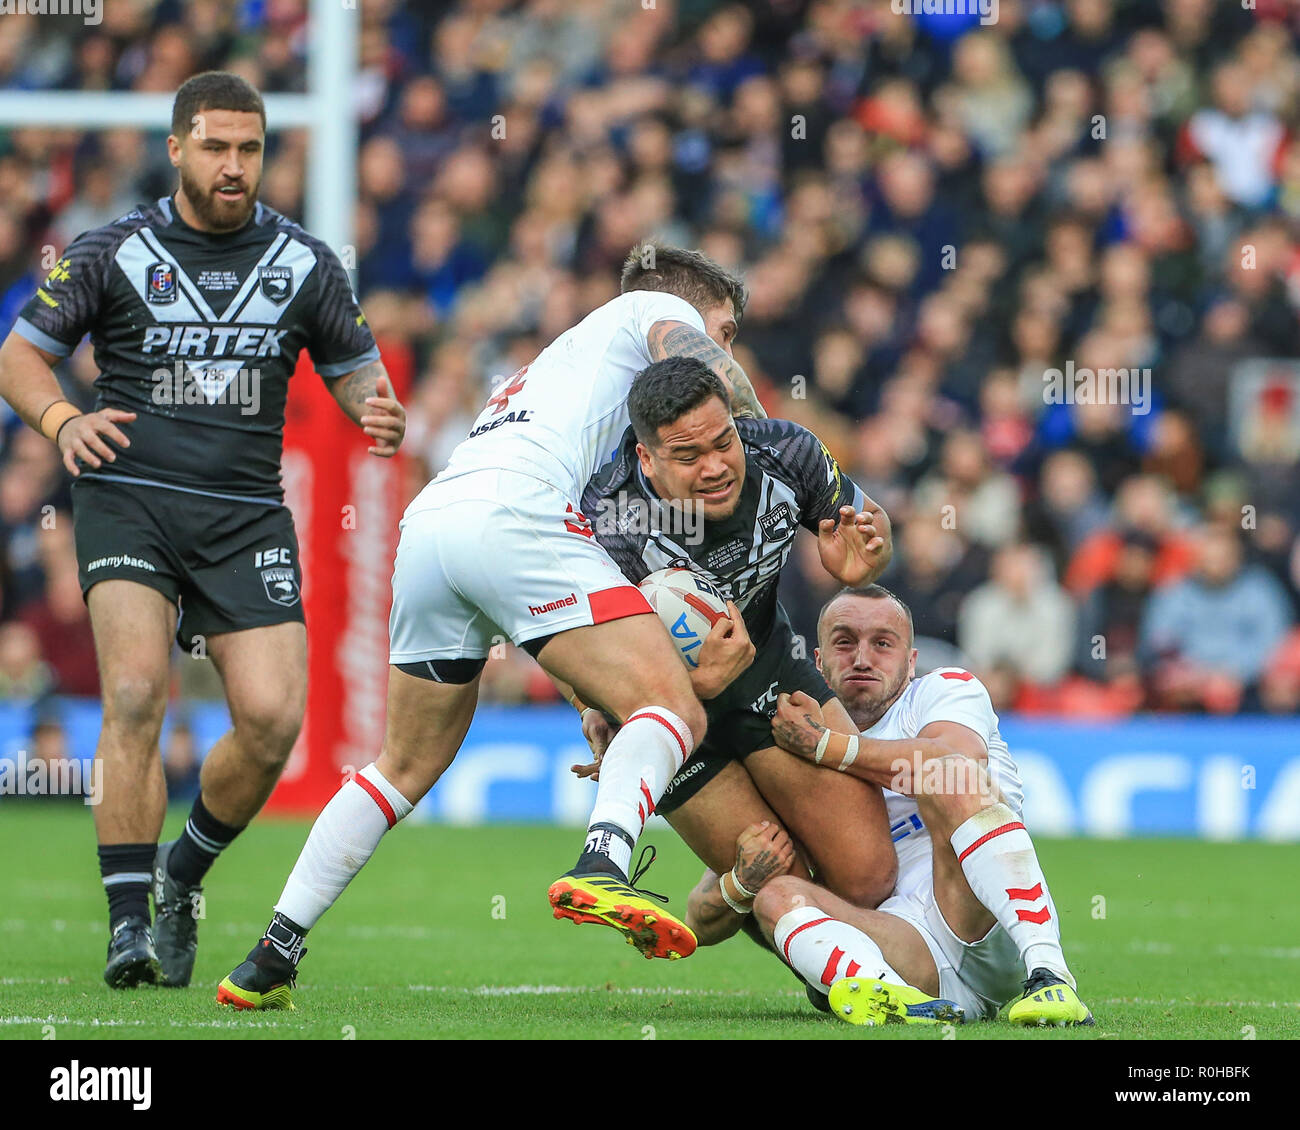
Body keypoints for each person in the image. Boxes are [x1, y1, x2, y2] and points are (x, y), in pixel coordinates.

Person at [217, 243, 771, 1010]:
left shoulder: (567, 369)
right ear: (687, 301)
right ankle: (604, 863)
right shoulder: (656, 311)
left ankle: (270, 953)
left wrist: (592, 693)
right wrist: (765, 435)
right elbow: (702, 360)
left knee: (399, 768)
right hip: (515, 513)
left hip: (436, 525)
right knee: (674, 705)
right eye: (728, 327)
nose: (726, 345)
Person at [0, 72, 406, 990]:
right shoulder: (110, 251)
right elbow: (20, 353)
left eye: (251, 148)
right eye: (216, 147)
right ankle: (127, 923)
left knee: (271, 722)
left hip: (244, 514)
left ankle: (184, 872)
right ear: (178, 148)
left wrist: (372, 410)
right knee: (138, 693)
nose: (234, 166)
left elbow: (355, 366)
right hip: (129, 498)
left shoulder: (305, 261)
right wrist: (64, 422)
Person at [573, 356, 897, 926]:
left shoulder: (788, 451)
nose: (716, 467)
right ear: (646, 457)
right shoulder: (608, 523)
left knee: (867, 877)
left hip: (768, 660)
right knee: (782, 890)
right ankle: (727, 897)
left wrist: (867, 558)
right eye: (688, 456)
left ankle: (727, 881)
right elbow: (569, 644)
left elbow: (874, 529)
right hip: (665, 702)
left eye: (724, 442)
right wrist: (593, 706)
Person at [692, 585, 1093, 1027]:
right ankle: (892, 997)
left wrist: (828, 746)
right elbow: (699, 923)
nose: (862, 658)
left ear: (912, 660)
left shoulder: (944, 690)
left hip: (975, 916)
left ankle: (1049, 974)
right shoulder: (795, 744)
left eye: (882, 643)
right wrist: (741, 884)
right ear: (818, 661)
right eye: (844, 642)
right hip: (904, 946)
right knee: (775, 895)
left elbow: (951, 760)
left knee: (951, 776)